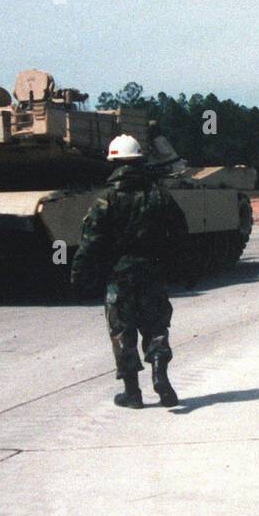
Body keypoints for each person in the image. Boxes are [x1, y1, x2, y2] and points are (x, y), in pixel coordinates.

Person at [71, 133, 189, 409]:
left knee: (123, 331)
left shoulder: (107, 200)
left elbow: (90, 243)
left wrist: (79, 274)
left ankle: (132, 393)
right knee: (156, 326)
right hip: (152, 271)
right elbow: (181, 233)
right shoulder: (160, 196)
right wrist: (182, 268)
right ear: (139, 160)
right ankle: (160, 376)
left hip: (119, 275)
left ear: (115, 164)